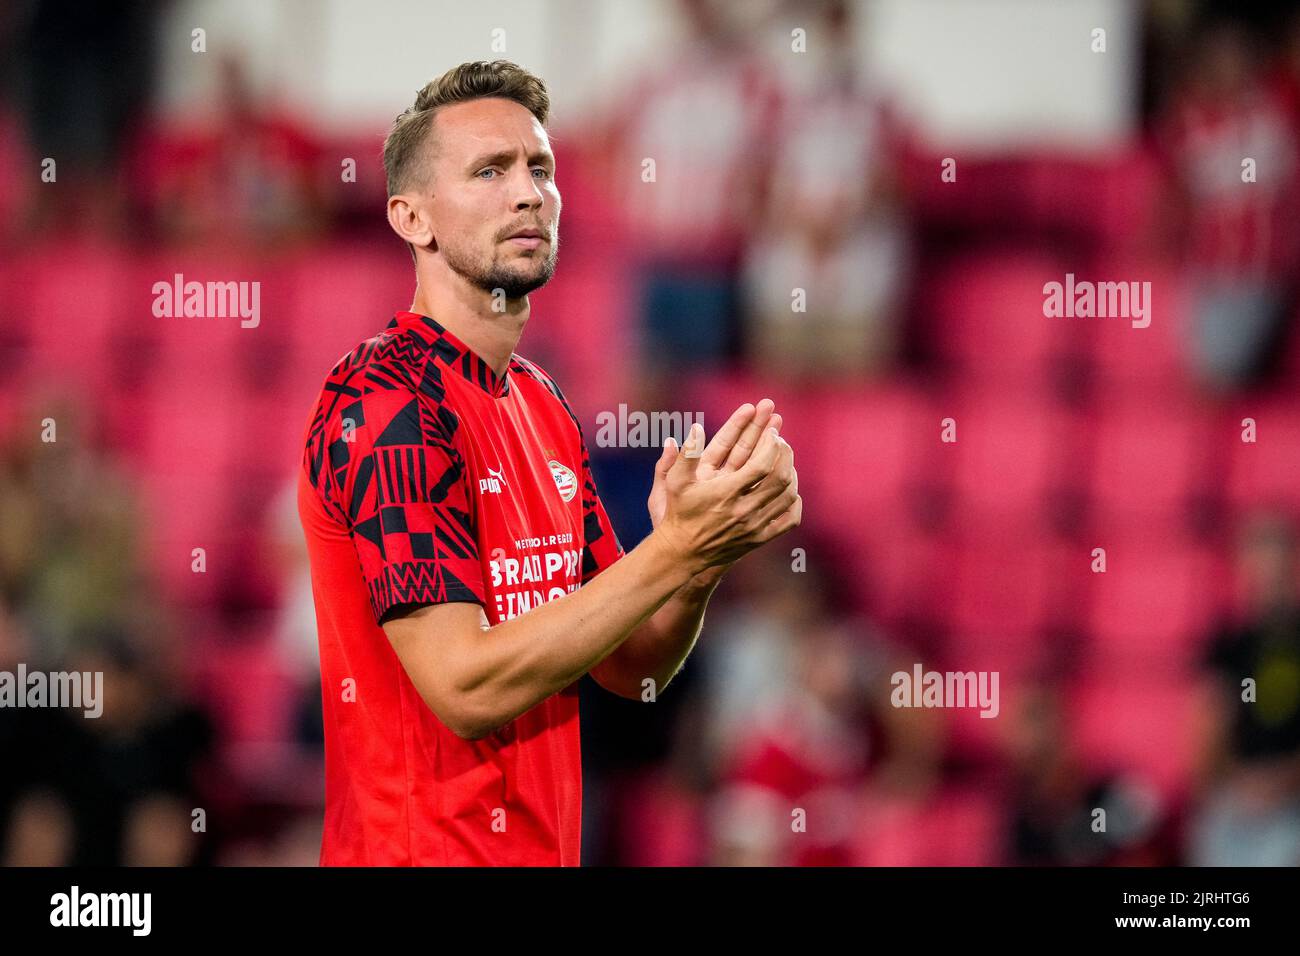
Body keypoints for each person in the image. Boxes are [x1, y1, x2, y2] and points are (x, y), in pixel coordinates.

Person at [296, 60, 801, 866]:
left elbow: (634, 673)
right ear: (412, 218)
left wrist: (700, 559)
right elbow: (463, 688)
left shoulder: (545, 407)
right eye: (490, 171)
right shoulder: (385, 399)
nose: (528, 192)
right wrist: (667, 553)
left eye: (541, 168)